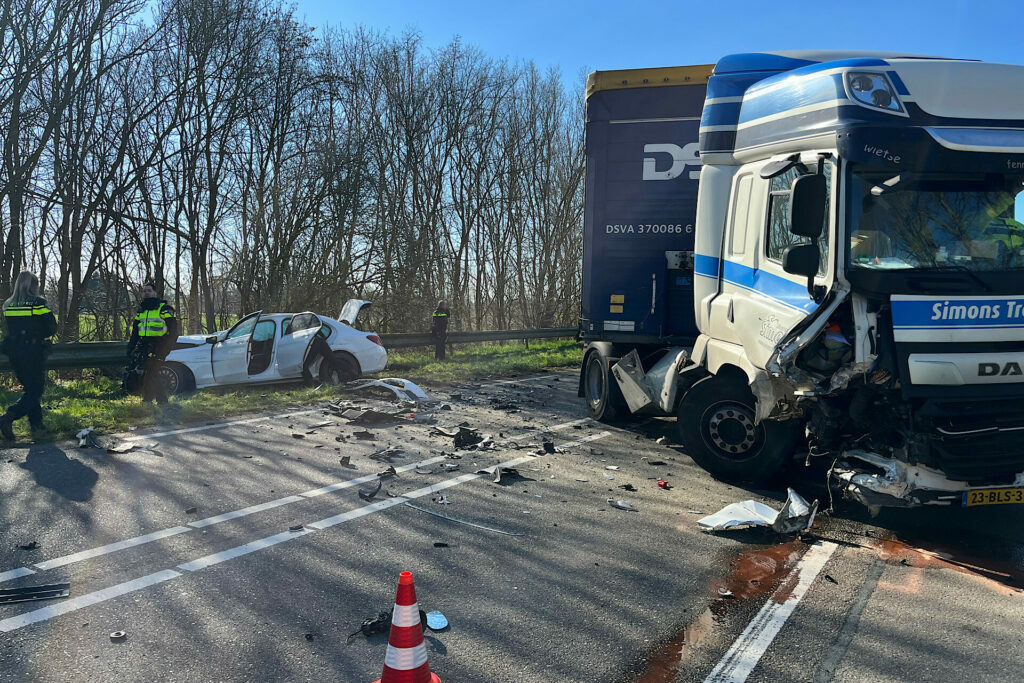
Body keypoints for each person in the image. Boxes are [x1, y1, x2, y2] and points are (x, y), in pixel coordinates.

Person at [0, 271, 58, 440]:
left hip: (14, 352)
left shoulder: (8, 305)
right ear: (33, 285)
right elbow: (51, 328)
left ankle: (37, 425)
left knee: (30, 389)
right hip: (32, 352)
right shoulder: (38, 303)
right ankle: (9, 416)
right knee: (36, 390)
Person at [126, 281, 178, 404]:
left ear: (155, 293)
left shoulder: (164, 308)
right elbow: (135, 331)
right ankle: (149, 398)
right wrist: (131, 347)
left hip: (159, 345)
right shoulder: (141, 310)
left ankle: (161, 401)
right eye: (144, 291)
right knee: (148, 373)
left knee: (153, 372)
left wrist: (166, 349)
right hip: (144, 345)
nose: (146, 293)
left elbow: (174, 331)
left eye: (149, 291)